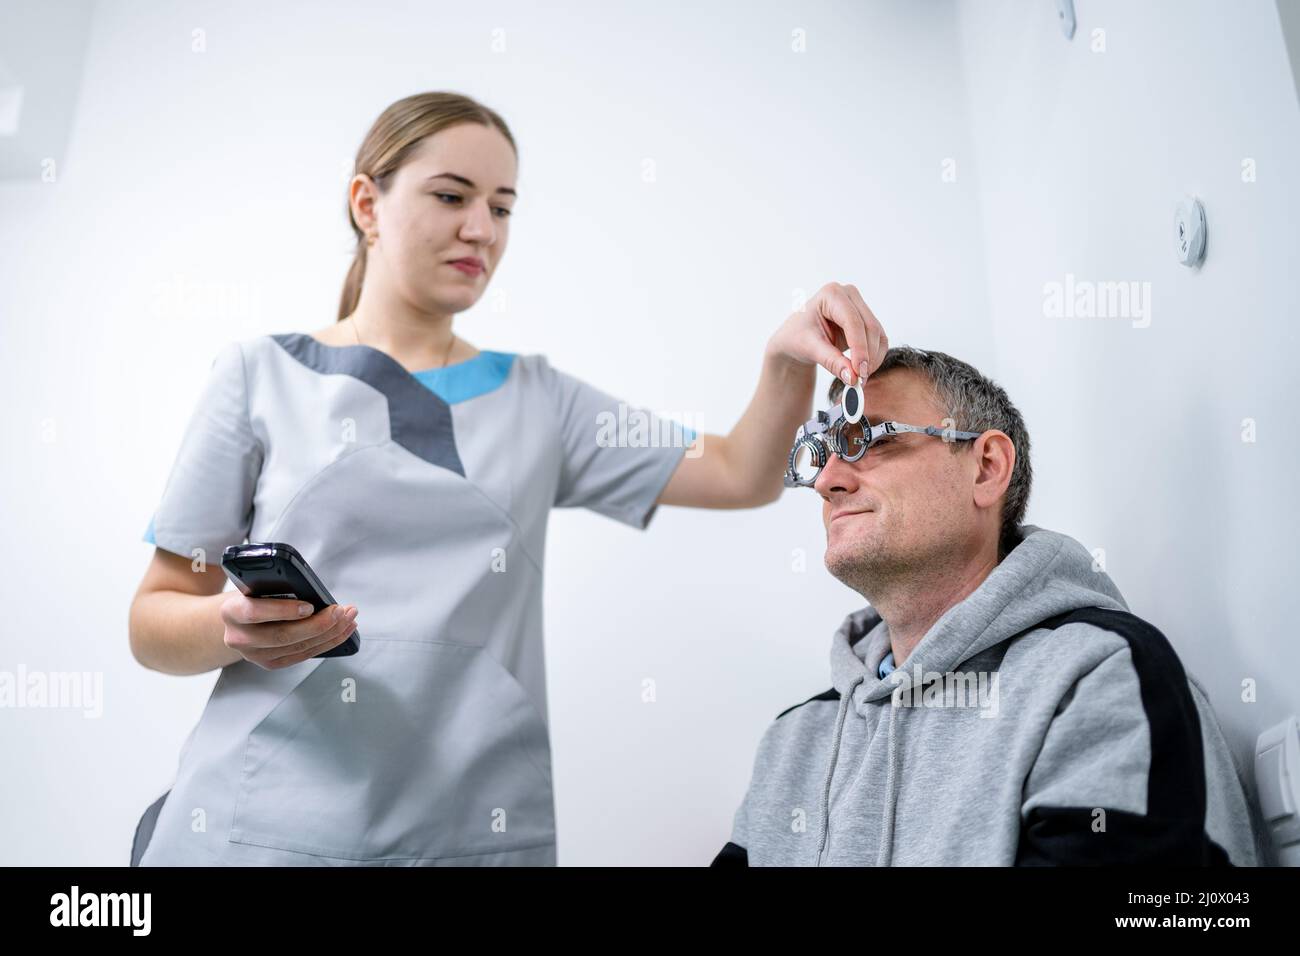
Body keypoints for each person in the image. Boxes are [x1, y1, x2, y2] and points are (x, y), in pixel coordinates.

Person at [127, 91, 889, 866]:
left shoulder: (539, 400)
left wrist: (787, 359)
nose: (481, 230)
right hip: (260, 830)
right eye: (452, 196)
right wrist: (232, 625)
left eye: (503, 207)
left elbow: (740, 472)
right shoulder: (259, 377)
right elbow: (153, 621)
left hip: (470, 833)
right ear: (368, 202)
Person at [712, 346, 1267, 866]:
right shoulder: (795, 739)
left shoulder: (1096, 677)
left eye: (871, 439)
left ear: (986, 468)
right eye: (826, 452)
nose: (828, 480)